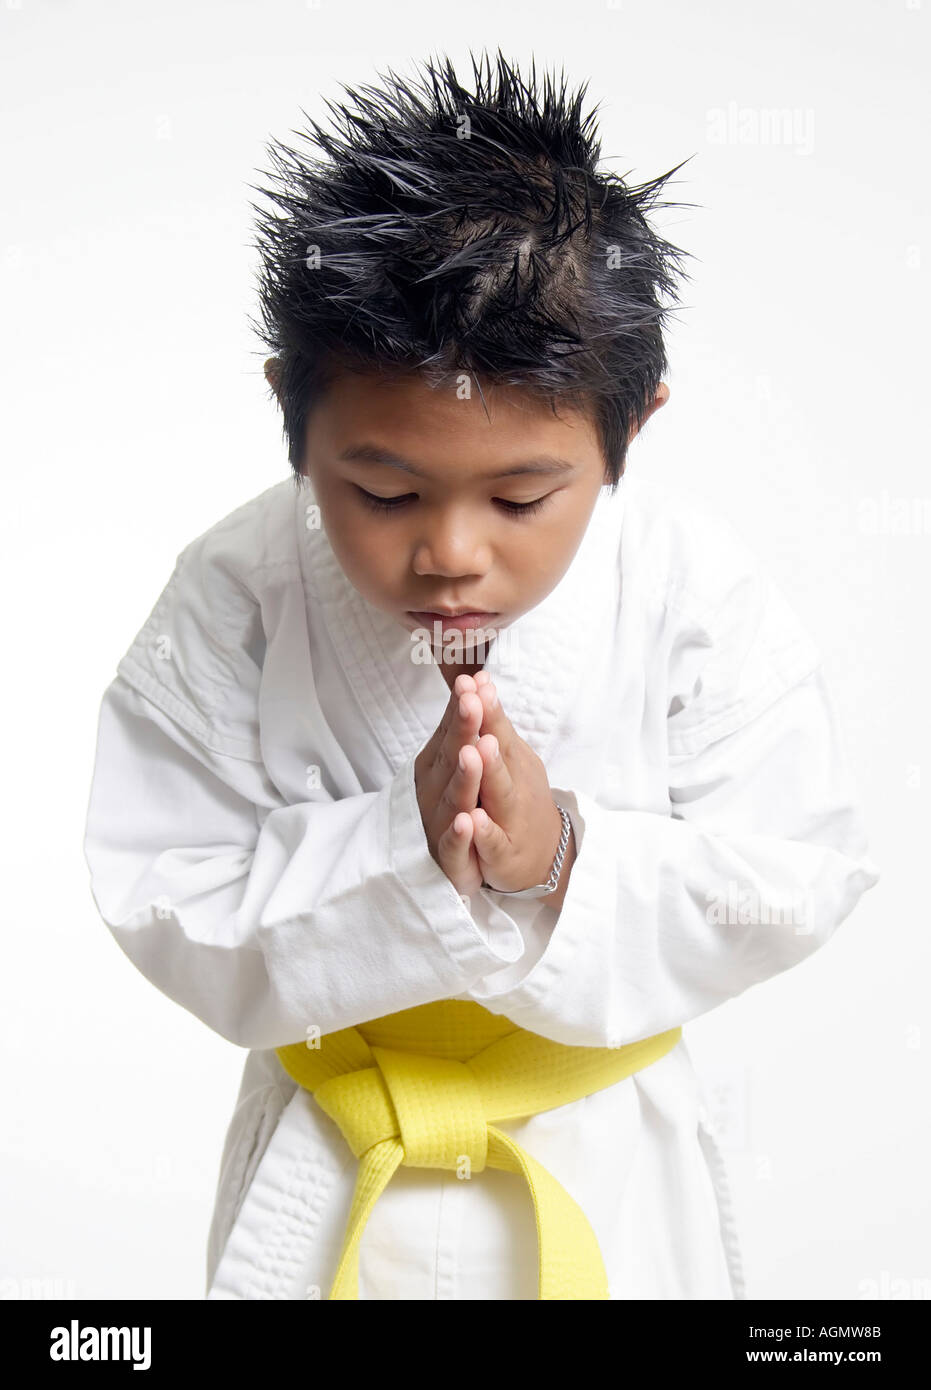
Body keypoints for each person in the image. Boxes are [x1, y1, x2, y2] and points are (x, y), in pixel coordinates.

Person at [82, 49, 880, 1300]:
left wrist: (558, 855)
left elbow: (795, 874)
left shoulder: (687, 592)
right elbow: (160, 891)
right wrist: (398, 847)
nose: (449, 552)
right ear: (290, 405)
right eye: (382, 489)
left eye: (521, 496)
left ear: (633, 428)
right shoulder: (237, 592)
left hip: (605, 1170)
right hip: (337, 1164)